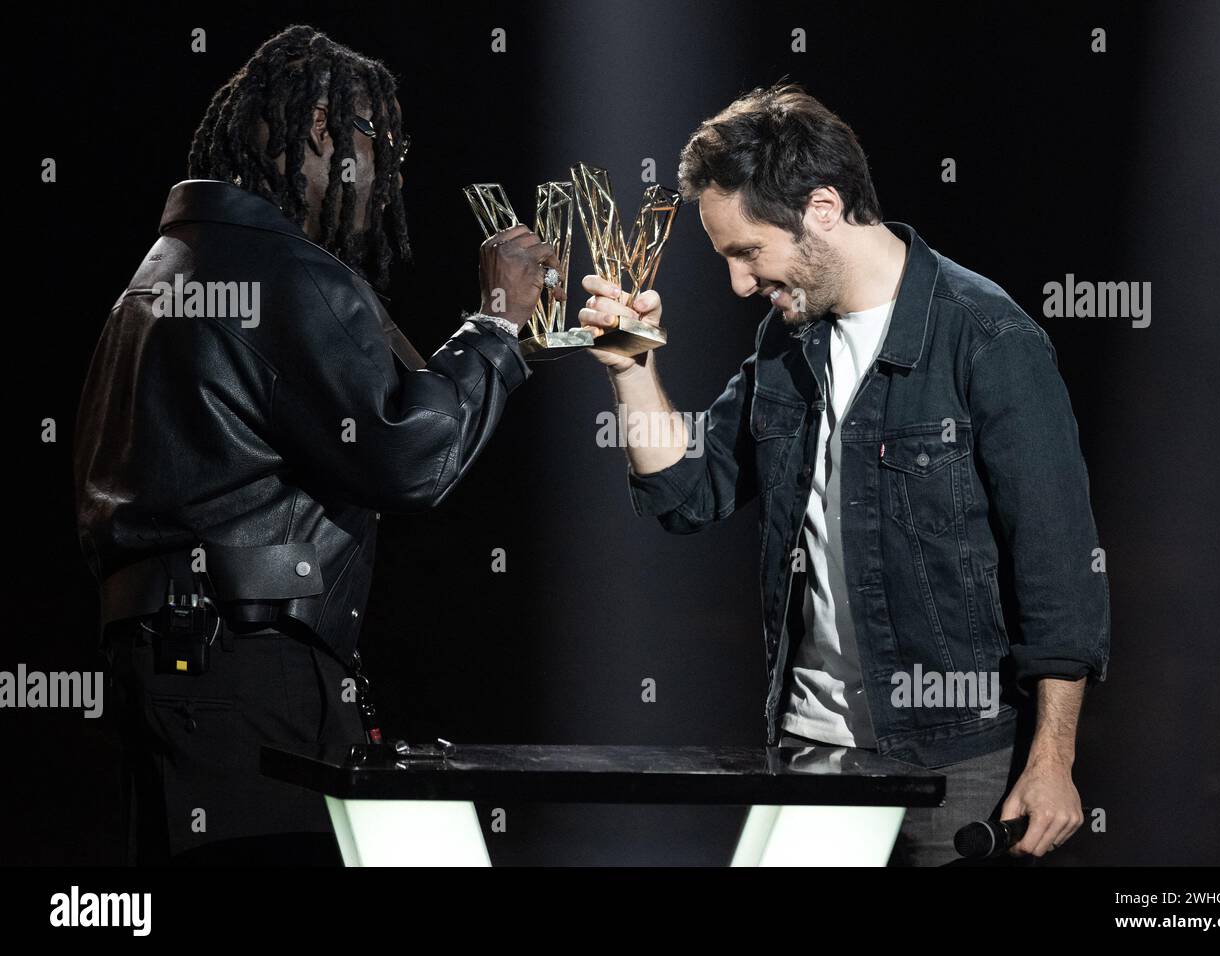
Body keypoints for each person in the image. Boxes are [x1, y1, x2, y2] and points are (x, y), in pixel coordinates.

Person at [579, 81, 1110, 866]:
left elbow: (1060, 568)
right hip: (807, 752)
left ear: (823, 208)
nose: (739, 281)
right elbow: (686, 494)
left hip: (954, 761)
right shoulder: (786, 345)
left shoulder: (987, 338)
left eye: (746, 251)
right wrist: (628, 369)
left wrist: (1053, 759)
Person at [73, 24, 558, 865]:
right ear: (327, 131)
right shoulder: (279, 272)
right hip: (249, 667)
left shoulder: (164, 269)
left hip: (171, 667)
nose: (387, 179)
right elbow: (409, 457)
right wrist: (496, 325)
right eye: (385, 147)